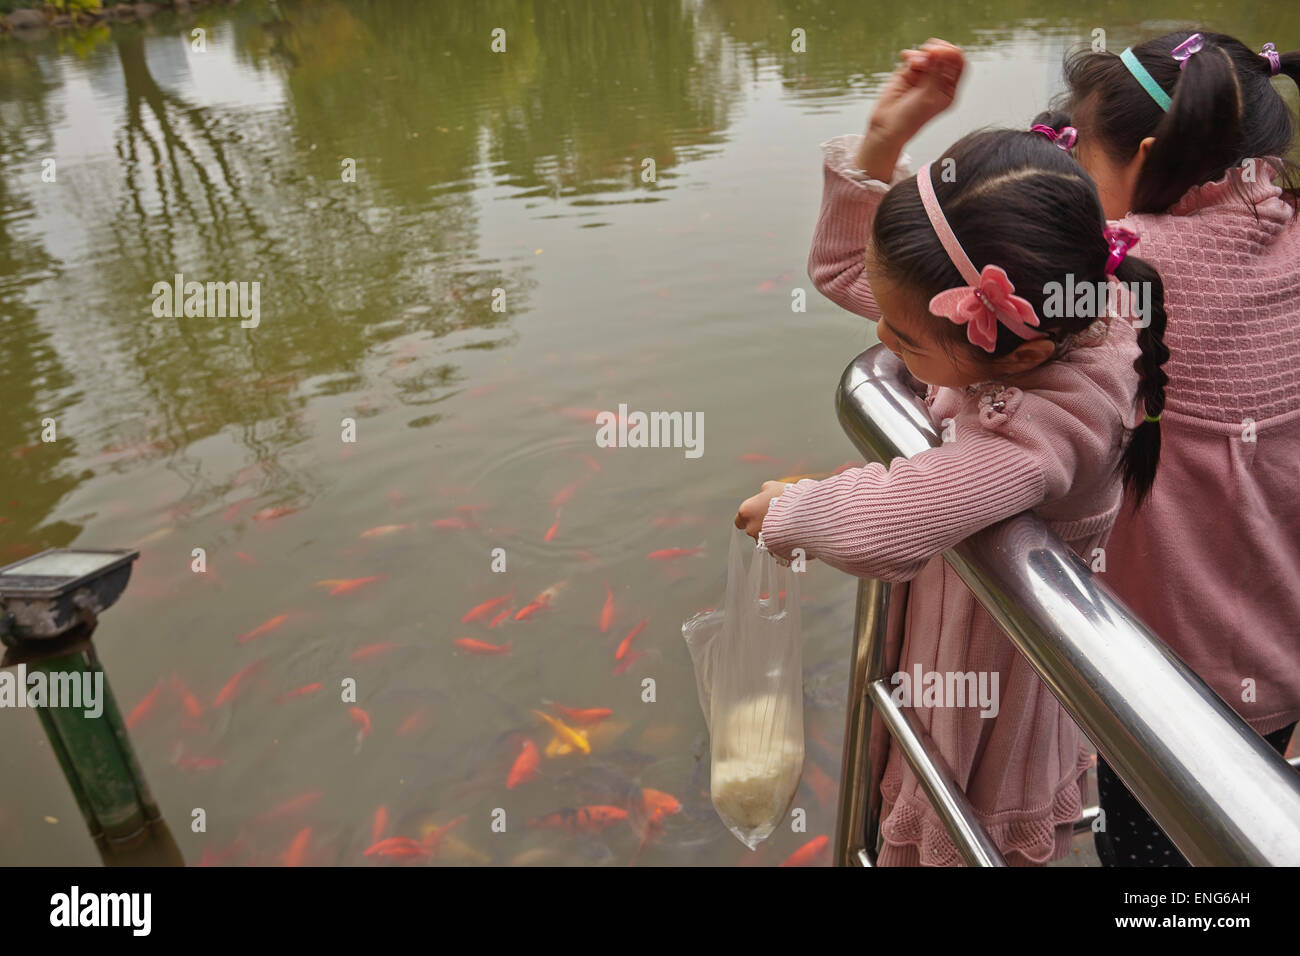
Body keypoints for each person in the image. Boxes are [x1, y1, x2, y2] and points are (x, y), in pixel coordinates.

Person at [735, 39, 1171, 865]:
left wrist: (791, 511)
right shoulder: (1052, 307)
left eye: (902, 338)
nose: (880, 338)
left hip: (990, 687)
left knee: (959, 836)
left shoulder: (1051, 424)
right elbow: (842, 267)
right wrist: (882, 141)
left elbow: (882, 528)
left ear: (1014, 360)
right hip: (947, 635)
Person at [1029, 29, 1300, 866]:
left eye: (1079, 158)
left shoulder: (1112, 276)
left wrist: (883, 146)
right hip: (1287, 665)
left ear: (1144, 157)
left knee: (1164, 883)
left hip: (1159, 686)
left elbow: (919, 298)